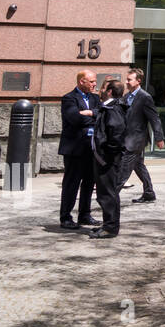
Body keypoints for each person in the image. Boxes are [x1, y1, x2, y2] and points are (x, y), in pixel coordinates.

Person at [58, 69, 100, 230]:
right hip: (75, 149)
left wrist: (90, 113)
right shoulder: (69, 98)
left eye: (95, 81)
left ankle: (85, 214)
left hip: (91, 148)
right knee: (71, 184)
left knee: (89, 183)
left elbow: (102, 114)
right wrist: (93, 118)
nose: (95, 84)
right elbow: (74, 118)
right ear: (82, 81)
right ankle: (66, 217)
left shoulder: (95, 98)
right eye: (91, 81)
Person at [89, 79, 131, 239]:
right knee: (105, 193)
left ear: (110, 92)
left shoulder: (113, 109)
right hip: (105, 158)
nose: (101, 90)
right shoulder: (110, 107)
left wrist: (107, 154)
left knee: (108, 193)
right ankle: (108, 224)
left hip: (108, 159)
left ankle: (111, 227)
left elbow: (116, 134)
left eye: (104, 88)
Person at [122, 68, 164, 203]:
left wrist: (159, 137)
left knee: (124, 168)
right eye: (127, 79)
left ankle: (110, 196)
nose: (126, 82)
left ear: (138, 81)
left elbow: (154, 118)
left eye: (129, 79)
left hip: (136, 140)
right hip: (127, 138)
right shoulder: (126, 96)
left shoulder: (145, 97)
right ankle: (149, 192)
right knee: (139, 166)